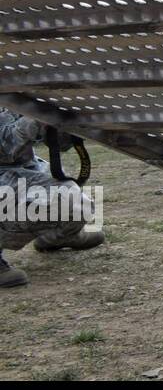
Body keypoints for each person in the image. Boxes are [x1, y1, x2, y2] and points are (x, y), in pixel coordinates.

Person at [2, 110, 104, 288]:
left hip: (22, 171)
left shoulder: (13, 94)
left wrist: (63, 123)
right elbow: (5, 147)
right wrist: (31, 124)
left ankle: (58, 237)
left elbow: (59, 143)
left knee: (76, 203)